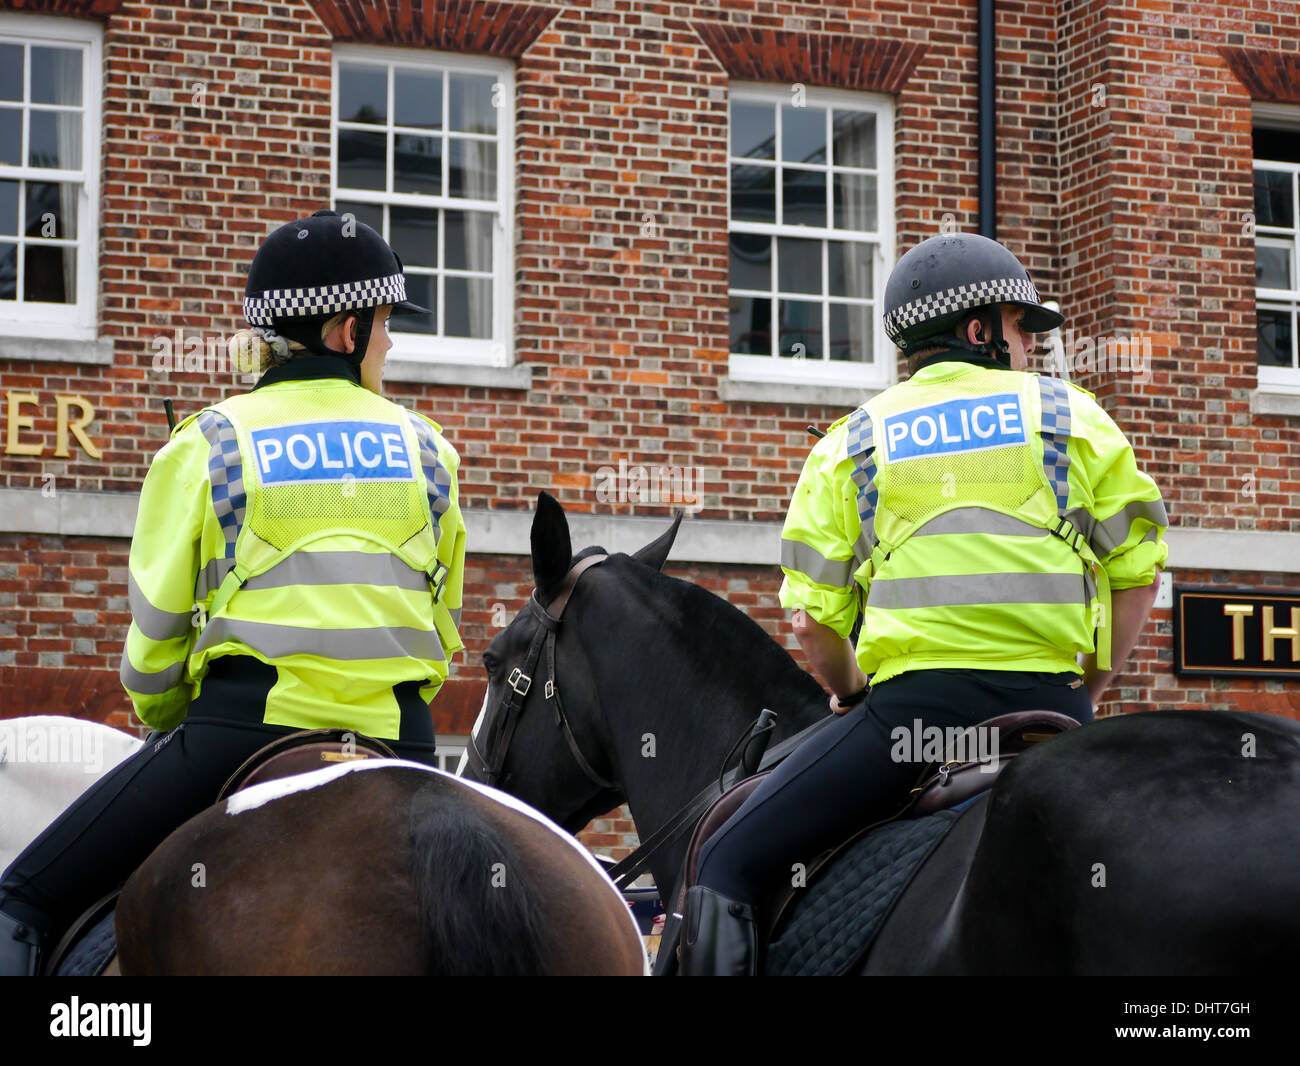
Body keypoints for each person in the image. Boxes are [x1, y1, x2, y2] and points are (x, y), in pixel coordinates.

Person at [680, 232, 1168, 976]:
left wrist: (848, 692)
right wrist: (1086, 691)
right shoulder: (1075, 418)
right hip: (1058, 715)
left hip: (915, 722)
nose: (1032, 348)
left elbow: (813, 620)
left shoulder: (855, 442)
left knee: (725, 856)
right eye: (1020, 329)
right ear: (979, 333)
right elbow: (1136, 575)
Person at [0, 209, 467, 975]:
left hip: (238, 737)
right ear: (345, 333)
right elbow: (439, 631)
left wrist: (166, 718)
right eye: (385, 323)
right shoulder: (430, 451)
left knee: (24, 897)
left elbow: (152, 653)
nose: (392, 342)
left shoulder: (209, 444)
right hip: (405, 747)